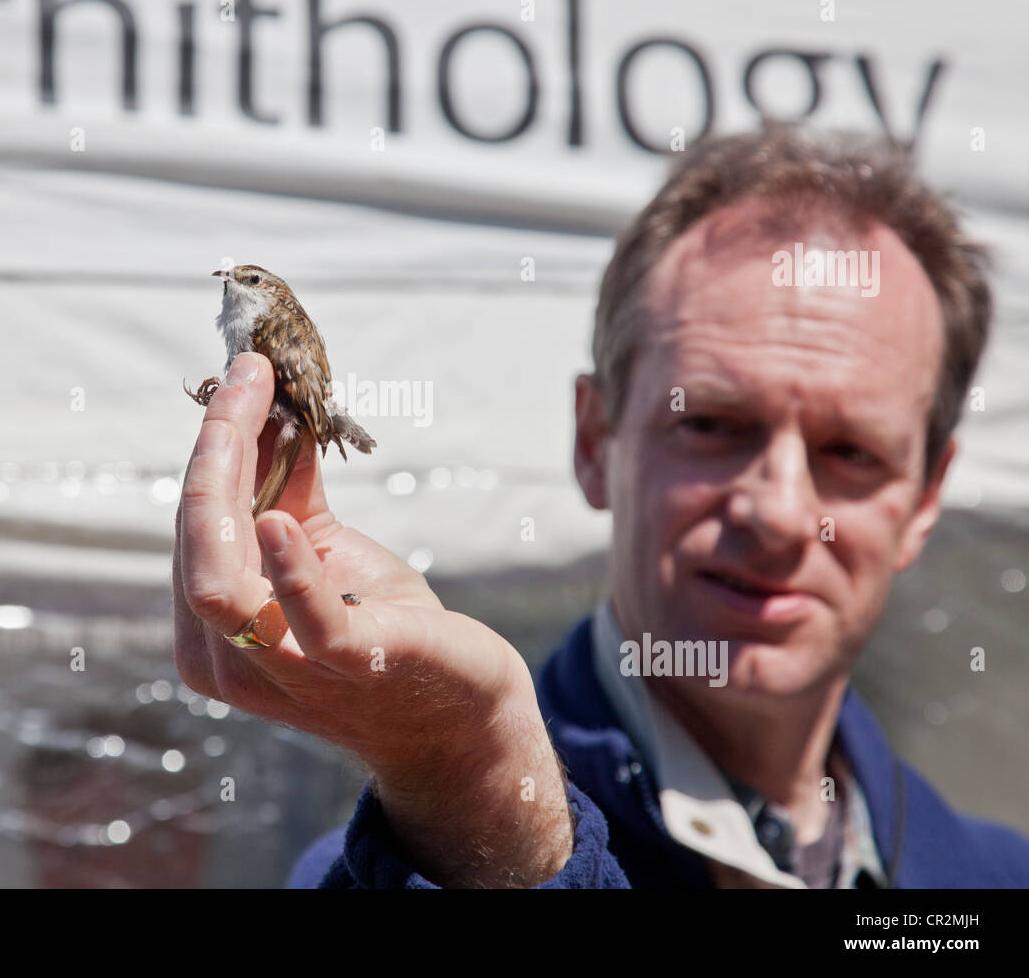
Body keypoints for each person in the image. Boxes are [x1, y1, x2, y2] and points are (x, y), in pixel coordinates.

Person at [172, 125, 1029, 888]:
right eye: (714, 425)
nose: (780, 511)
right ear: (594, 440)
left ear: (926, 498)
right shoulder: (397, 865)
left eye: (851, 451)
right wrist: (479, 797)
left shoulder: (994, 876)